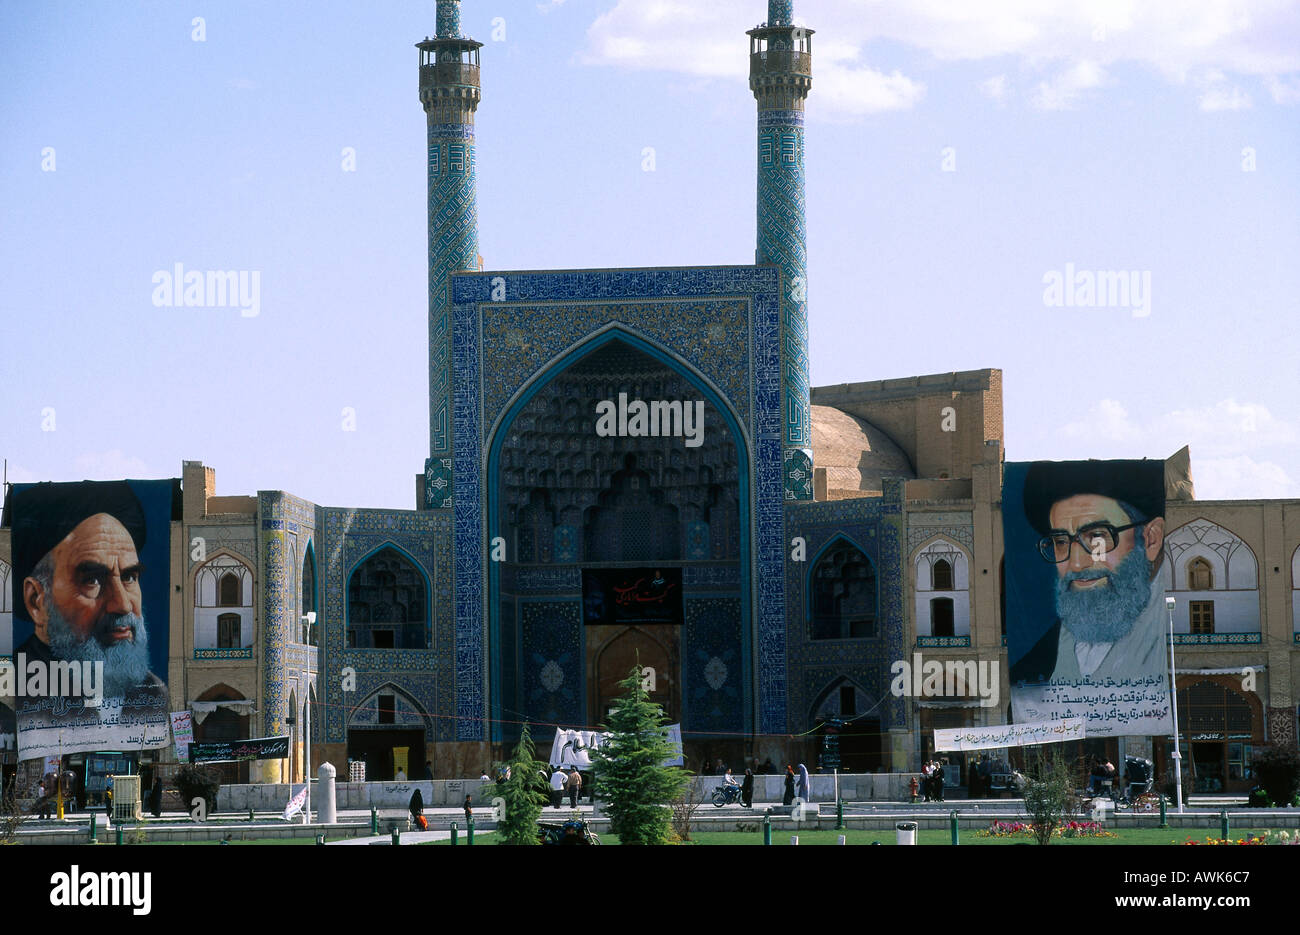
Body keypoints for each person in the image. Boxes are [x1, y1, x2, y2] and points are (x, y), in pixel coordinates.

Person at [1010, 460, 1168, 687]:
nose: (1075, 563)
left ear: (1151, 539)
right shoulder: (1036, 664)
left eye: (1096, 537)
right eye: (1061, 541)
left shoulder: (1172, 633)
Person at [12, 482, 166, 702]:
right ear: (36, 600)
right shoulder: (22, 689)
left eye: (129, 577)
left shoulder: (152, 692)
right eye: (92, 580)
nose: (122, 604)